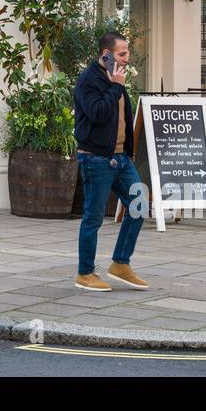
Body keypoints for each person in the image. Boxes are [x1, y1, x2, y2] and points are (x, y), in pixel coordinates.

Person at [72, 31, 149, 292]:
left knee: (138, 206)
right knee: (93, 218)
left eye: (127, 53)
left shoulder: (115, 77)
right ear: (106, 54)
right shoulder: (88, 81)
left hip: (120, 159)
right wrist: (116, 86)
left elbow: (123, 117)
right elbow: (97, 114)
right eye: (122, 54)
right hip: (96, 159)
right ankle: (85, 273)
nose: (127, 59)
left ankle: (120, 264)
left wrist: (128, 151)